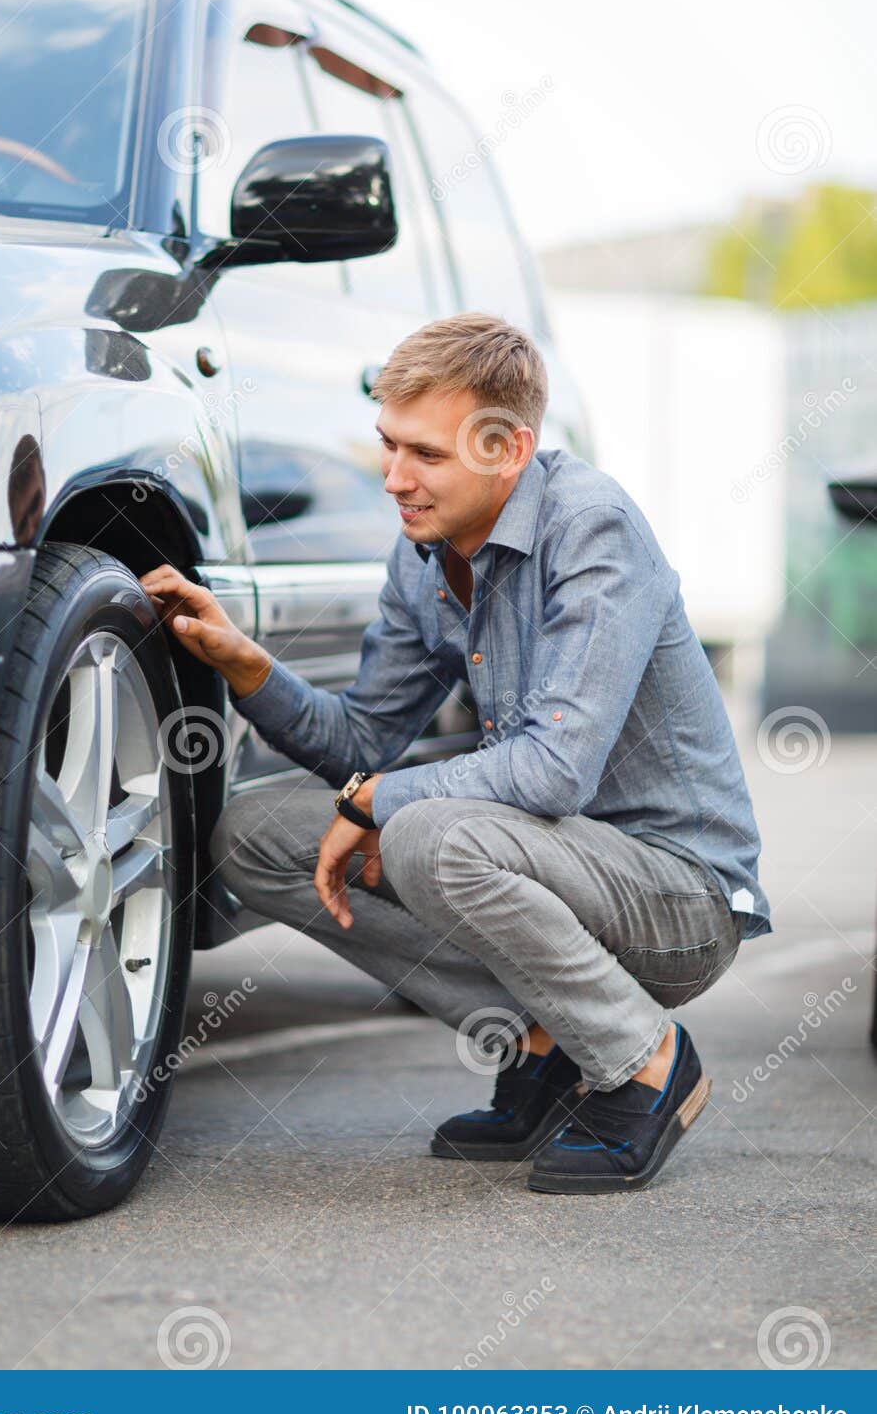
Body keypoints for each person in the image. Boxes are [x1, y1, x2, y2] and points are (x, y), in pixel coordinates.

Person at [140, 312, 771, 1195]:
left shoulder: (593, 530)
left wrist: (376, 801)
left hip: (676, 902)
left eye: (425, 456)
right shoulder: (426, 552)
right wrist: (250, 667)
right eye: (388, 446)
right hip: (547, 868)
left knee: (427, 833)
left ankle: (645, 1059)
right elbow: (360, 740)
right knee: (253, 836)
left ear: (506, 448)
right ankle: (546, 1045)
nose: (395, 479)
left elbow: (554, 770)